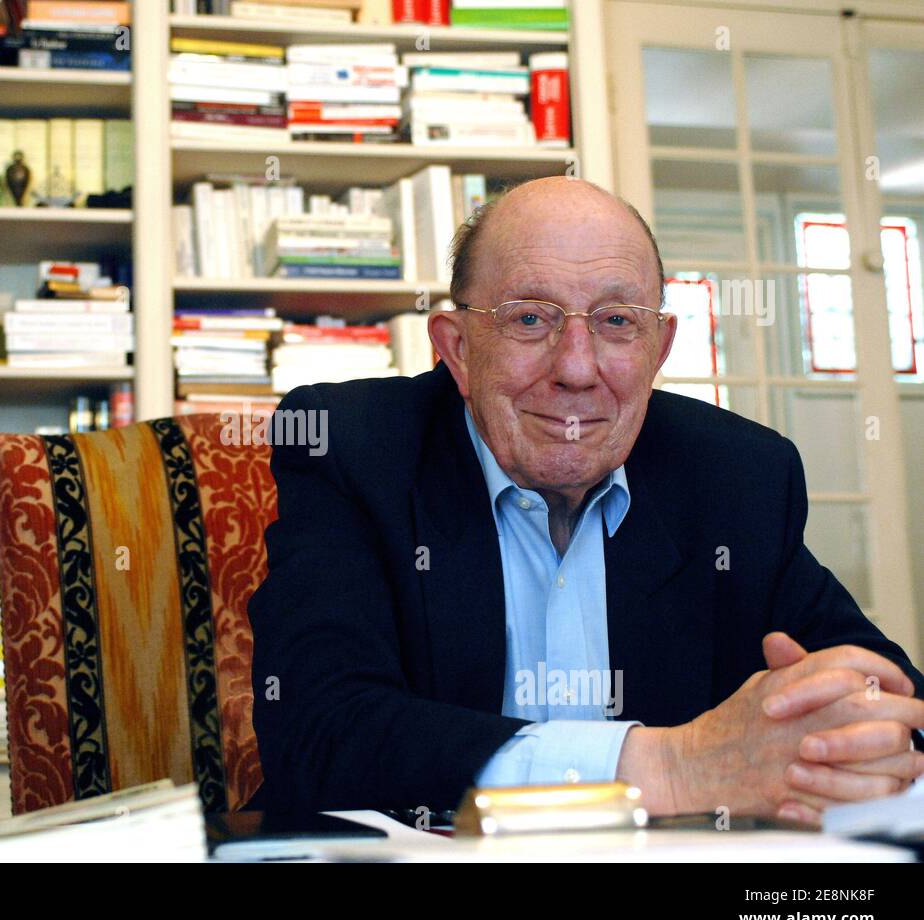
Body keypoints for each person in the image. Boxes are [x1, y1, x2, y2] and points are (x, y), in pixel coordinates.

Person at [248, 176, 924, 823]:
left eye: (616, 321)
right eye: (531, 318)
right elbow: (320, 730)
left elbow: (889, 695)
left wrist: (856, 737)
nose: (576, 367)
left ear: (659, 348)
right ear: (456, 348)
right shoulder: (355, 449)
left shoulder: (736, 475)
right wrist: (669, 768)